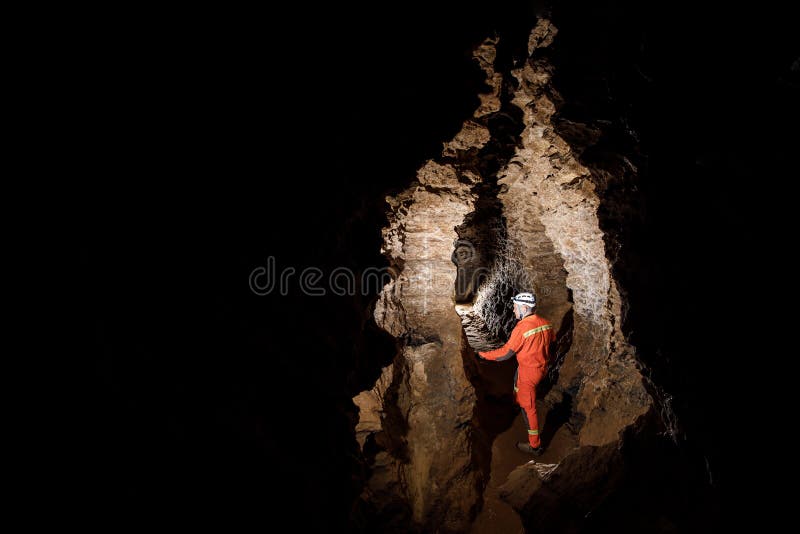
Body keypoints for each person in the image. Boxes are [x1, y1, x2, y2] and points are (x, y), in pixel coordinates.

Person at [478, 292, 555, 455]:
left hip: (529, 372)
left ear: (525, 308)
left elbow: (505, 354)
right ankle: (516, 401)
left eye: (515, 307)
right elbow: (551, 344)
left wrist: (483, 355)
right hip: (540, 368)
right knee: (516, 379)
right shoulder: (546, 323)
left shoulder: (522, 328)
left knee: (529, 408)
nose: (513, 310)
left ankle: (535, 446)